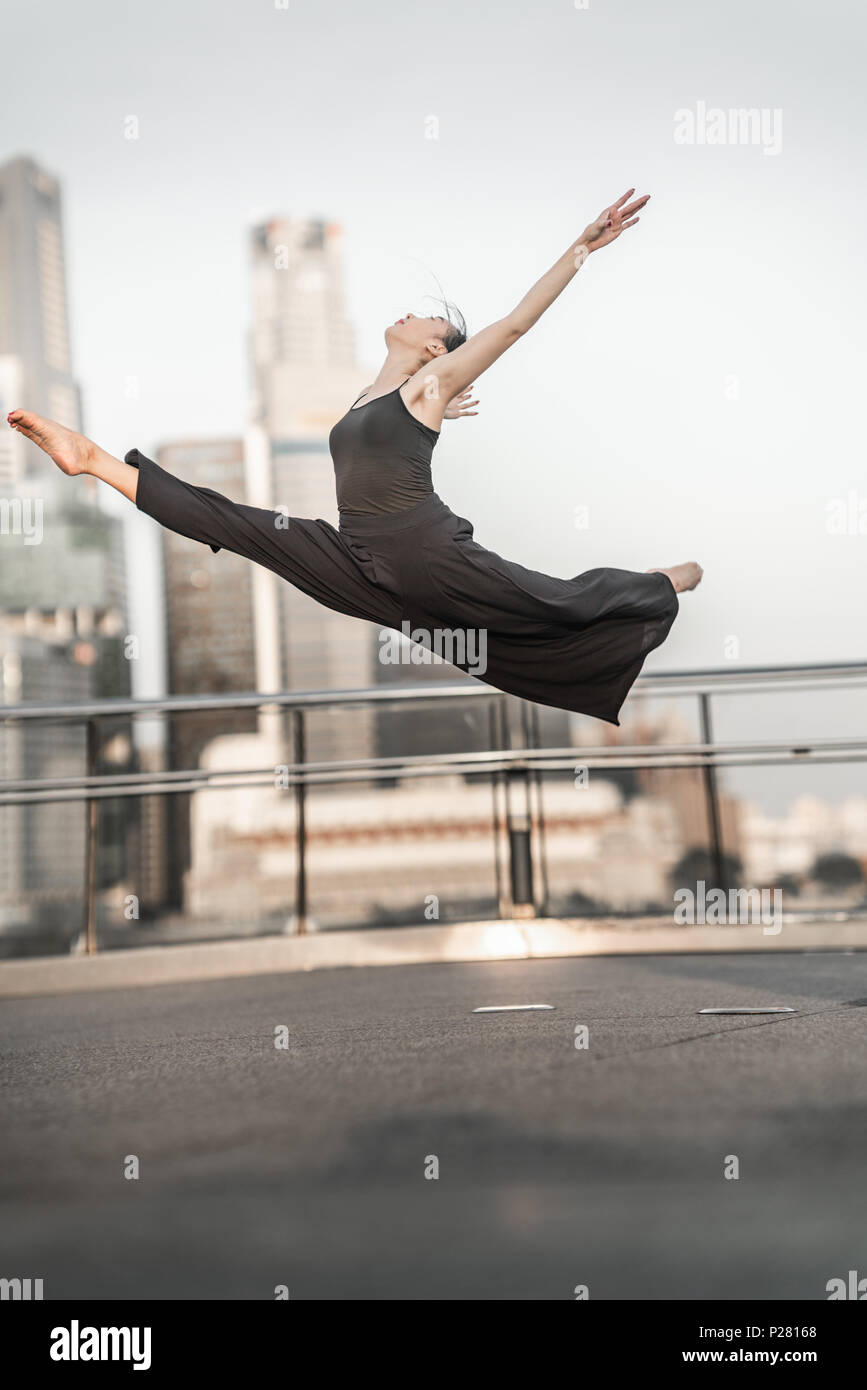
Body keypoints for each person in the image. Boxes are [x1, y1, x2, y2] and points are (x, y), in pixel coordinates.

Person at [7, 189, 701, 723]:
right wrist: (434, 418)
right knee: (237, 525)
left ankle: (664, 581)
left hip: (423, 550)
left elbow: (516, 323)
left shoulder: (433, 381)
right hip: (359, 555)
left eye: (427, 320)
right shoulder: (377, 394)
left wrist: (581, 247)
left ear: (436, 350)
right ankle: (91, 458)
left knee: (549, 600)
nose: (411, 314)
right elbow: (390, 440)